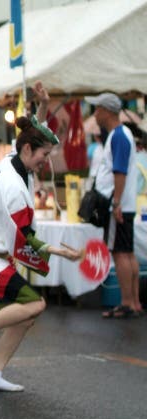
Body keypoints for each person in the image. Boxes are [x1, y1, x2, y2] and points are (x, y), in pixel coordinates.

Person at [0, 117, 81, 391]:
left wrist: (40, 107)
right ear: (27, 150)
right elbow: (24, 237)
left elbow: (33, 133)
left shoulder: (13, 162)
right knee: (36, 304)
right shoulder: (13, 186)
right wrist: (60, 252)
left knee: (26, 316)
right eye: (44, 155)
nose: (45, 161)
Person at [85, 93, 142, 318]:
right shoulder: (122, 134)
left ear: (107, 111)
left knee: (120, 253)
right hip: (124, 203)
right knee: (128, 252)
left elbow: (120, 170)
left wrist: (116, 201)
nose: (95, 113)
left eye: (97, 109)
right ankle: (134, 301)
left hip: (118, 204)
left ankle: (127, 302)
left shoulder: (118, 136)